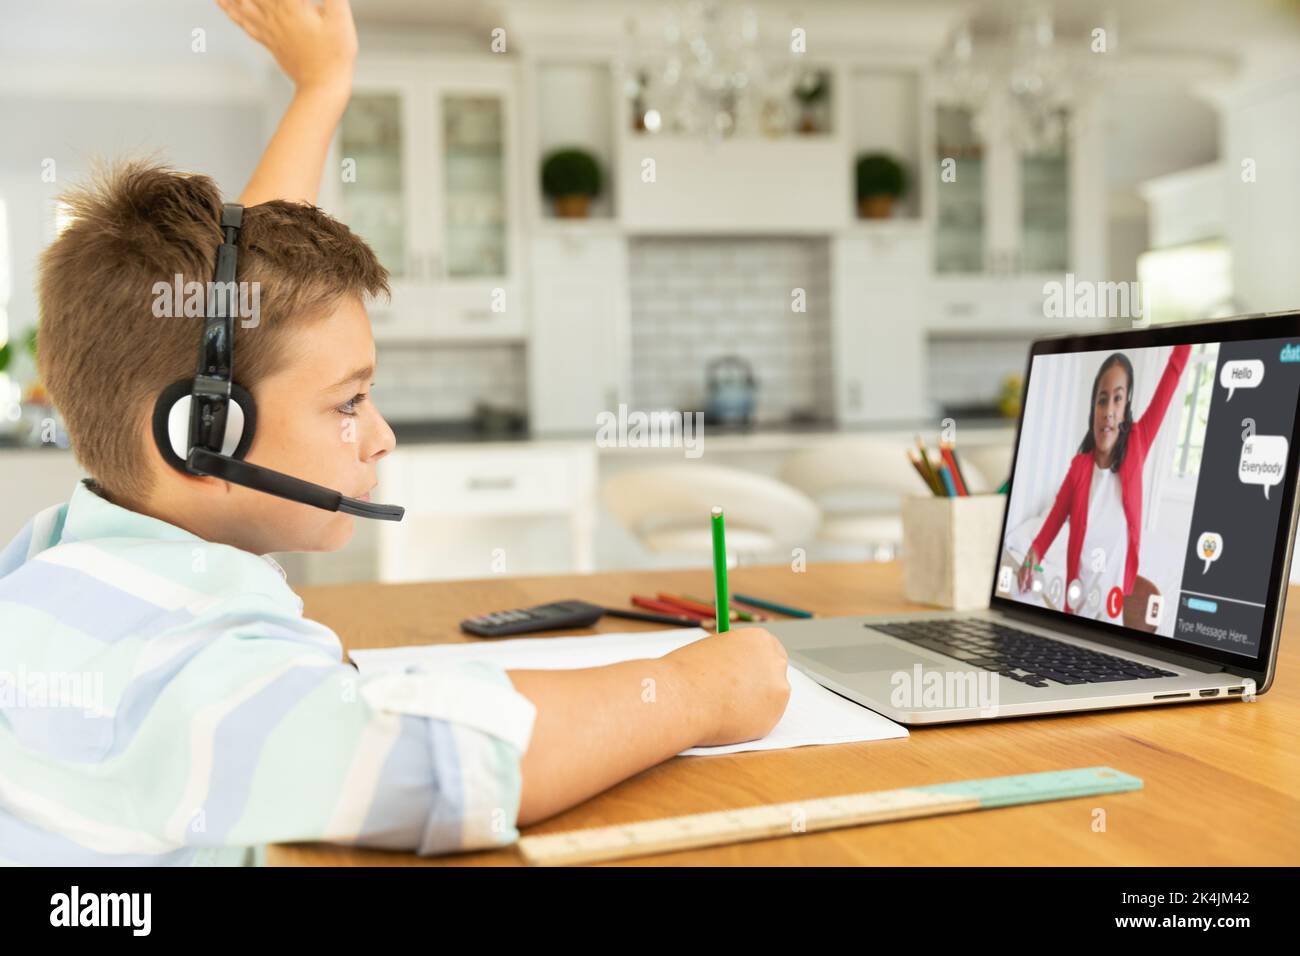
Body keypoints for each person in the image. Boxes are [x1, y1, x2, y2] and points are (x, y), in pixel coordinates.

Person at [0, 0, 790, 864]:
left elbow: (247, 323)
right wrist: (693, 689)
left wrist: (321, 86)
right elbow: (445, 767)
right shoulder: (180, 673)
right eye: (349, 402)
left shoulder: (60, 564)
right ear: (205, 433)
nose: (380, 438)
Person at [1018, 344, 1191, 619]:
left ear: (1125, 409)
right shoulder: (1079, 467)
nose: (1109, 409)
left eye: (1117, 399)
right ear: (1093, 409)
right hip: (1075, 608)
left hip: (1111, 612)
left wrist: (1187, 338)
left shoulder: (1138, 443)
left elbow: (1173, 374)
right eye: (1102, 399)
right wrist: (1032, 555)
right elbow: (1053, 520)